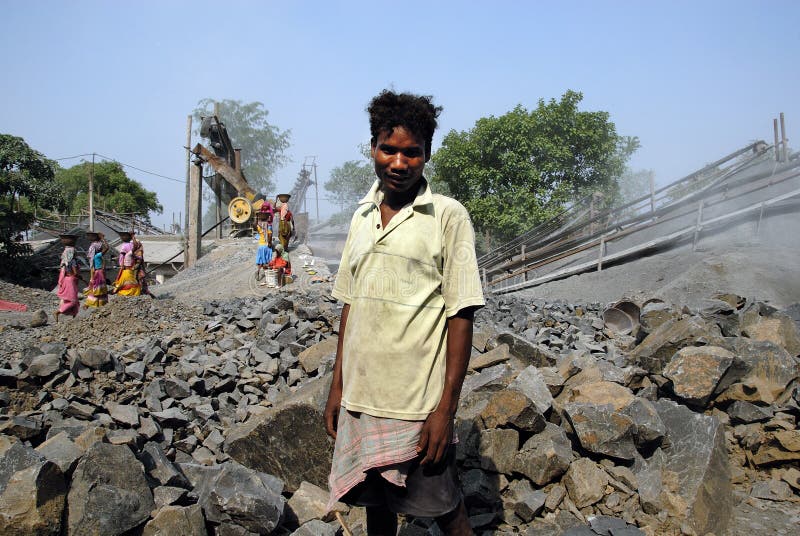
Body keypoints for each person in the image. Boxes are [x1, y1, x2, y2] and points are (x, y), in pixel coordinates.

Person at [324, 90, 485, 535]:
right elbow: (350, 306)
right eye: (388, 149)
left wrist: (445, 409)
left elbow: (461, 314)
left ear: (426, 154)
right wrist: (337, 388)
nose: (398, 163)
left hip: (416, 403)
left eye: (411, 153)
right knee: (377, 508)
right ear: (372, 148)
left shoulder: (447, 217)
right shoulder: (361, 216)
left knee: (445, 508)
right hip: (362, 399)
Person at [55, 233, 81, 322]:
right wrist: (81, 277)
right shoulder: (73, 261)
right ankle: (58, 312)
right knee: (73, 301)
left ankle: (73, 318)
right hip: (71, 280)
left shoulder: (64, 262)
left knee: (72, 300)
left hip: (66, 280)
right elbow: (75, 272)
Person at [84, 231, 109, 308]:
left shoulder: (95, 257)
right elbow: (107, 247)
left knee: (95, 287)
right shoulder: (98, 255)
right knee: (98, 288)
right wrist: (103, 238)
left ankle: (92, 303)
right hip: (99, 272)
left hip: (96, 271)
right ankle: (94, 303)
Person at [112, 231, 141, 296]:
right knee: (124, 282)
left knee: (126, 282)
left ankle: (128, 293)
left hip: (128, 270)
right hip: (125, 270)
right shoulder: (127, 253)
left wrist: (133, 236)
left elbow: (135, 246)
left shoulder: (129, 253)